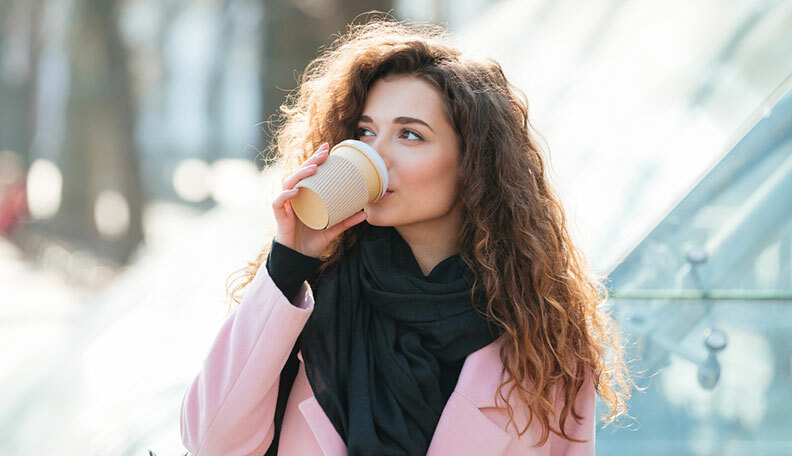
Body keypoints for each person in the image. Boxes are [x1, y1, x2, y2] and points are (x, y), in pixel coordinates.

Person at [180, 18, 632, 456]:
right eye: (365, 131)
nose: (373, 155)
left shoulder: (543, 341)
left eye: (410, 135)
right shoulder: (311, 301)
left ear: (473, 163)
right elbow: (210, 443)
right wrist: (288, 263)